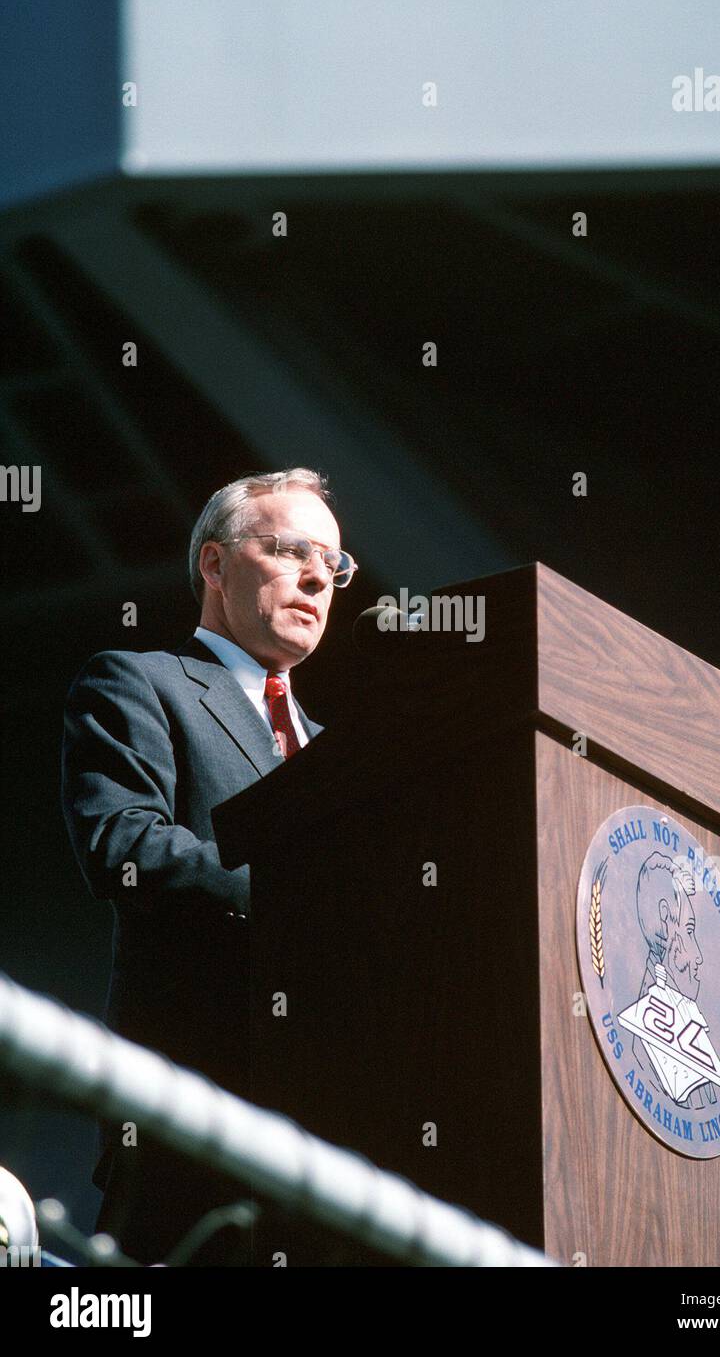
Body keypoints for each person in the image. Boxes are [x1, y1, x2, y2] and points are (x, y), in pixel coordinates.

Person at [61, 468, 357, 1264]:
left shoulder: (356, 758)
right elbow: (124, 845)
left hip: (343, 1142)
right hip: (191, 1121)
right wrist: (314, 909)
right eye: (290, 548)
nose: (316, 575)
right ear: (215, 565)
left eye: (333, 562)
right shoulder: (139, 682)